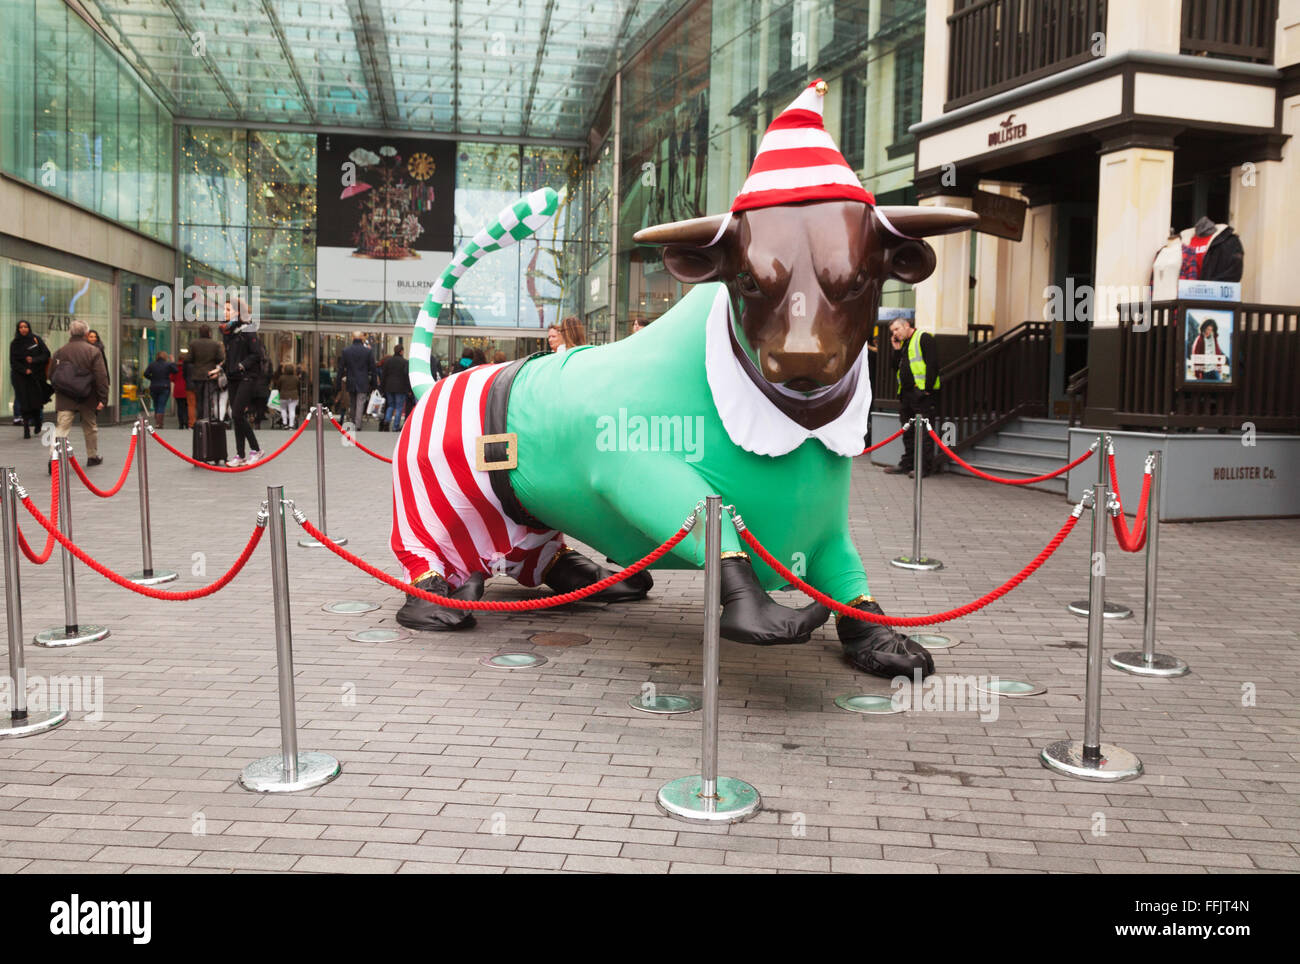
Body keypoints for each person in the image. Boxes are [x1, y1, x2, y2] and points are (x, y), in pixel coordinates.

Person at [48, 320, 109, 467]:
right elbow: (101, 376)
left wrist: (62, 388)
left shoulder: (60, 351)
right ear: (86, 334)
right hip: (88, 396)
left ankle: (54, 458)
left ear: (70, 332)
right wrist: (103, 398)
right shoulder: (93, 351)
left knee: (62, 428)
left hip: (65, 397)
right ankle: (92, 456)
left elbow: (51, 374)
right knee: (90, 427)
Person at [884, 317, 939, 478]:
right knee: (908, 432)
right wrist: (895, 349)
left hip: (921, 394)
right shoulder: (904, 343)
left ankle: (924, 467)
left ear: (907, 325)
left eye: (897, 329)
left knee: (924, 432)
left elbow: (933, 364)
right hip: (907, 394)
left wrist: (926, 390)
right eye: (893, 331)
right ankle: (907, 464)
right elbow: (895, 368)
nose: (895, 334)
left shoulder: (923, 337)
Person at [220, 304, 267, 466]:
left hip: (247, 376)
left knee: (237, 414)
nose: (224, 312)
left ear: (238, 312)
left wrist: (242, 365)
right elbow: (230, 356)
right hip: (233, 377)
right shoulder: (228, 332)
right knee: (237, 416)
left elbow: (256, 354)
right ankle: (240, 455)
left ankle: (256, 449)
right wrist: (220, 368)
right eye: (223, 309)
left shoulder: (248, 329)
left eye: (227, 309)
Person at [10, 320, 52, 439]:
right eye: (21, 327)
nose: (23, 329)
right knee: (24, 402)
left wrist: (33, 360)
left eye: (25, 327)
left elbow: (46, 354)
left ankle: (38, 422)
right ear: (18, 329)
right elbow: (13, 361)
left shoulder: (36, 339)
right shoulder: (15, 343)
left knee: (36, 401)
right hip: (21, 377)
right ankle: (26, 429)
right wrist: (24, 370)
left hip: (36, 377)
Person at [187, 323, 225, 421]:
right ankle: (206, 418)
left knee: (199, 399)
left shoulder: (193, 344)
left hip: (198, 375)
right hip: (210, 374)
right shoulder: (215, 344)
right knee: (208, 398)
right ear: (209, 333)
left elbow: (188, 358)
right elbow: (221, 358)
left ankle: (199, 419)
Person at [340, 331, 378, 429]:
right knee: (361, 402)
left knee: (352, 402)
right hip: (363, 380)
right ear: (362, 338)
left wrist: (337, 383)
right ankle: (358, 424)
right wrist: (374, 384)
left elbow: (341, 368)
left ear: (352, 338)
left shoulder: (346, 351)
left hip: (351, 380)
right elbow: (373, 368)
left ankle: (353, 422)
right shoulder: (368, 351)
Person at [142, 351, 178, 429]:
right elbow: (176, 370)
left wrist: (152, 378)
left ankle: (157, 422)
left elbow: (145, 374)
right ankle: (159, 423)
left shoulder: (152, 364)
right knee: (161, 404)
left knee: (156, 404)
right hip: (164, 386)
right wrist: (172, 361)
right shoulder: (167, 365)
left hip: (154, 386)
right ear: (165, 357)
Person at [381, 345, 411, 432]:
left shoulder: (388, 361)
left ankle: (387, 421)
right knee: (399, 407)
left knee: (390, 405)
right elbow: (407, 376)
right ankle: (395, 426)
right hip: (401, 388)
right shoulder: (405, 362)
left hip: (389, 387)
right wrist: (408, 389)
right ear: (401, 351)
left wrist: (382, 387)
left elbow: (384, 375)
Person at [274, 363, 300, 428]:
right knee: (292, 410)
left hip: (283, 396)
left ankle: (285, 423)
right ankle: (291, 425)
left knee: (283, 410)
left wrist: (280, 392)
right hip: (294, 396)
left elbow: (278, 387)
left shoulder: (281, 378)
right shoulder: (296, 378)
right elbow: (298, 387)